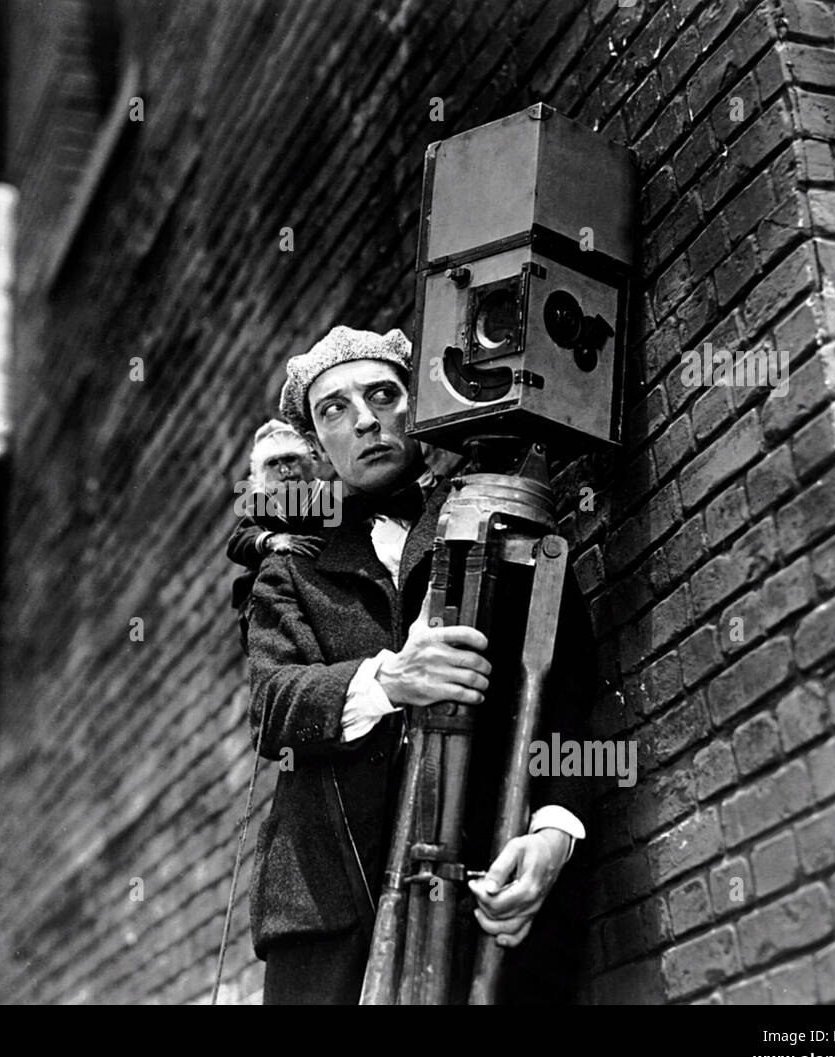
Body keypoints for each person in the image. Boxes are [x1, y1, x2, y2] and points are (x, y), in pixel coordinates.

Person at [244, 325, 598, 1005]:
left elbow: (568, 691)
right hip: (326, 918)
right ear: (319, 445)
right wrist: (388, 681)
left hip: (484, 893)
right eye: (335, 410)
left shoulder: (500, 518)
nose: (366, 420)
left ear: (420, 406)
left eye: (383, 395)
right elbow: (274, 705)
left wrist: (557, 827)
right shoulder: (289, 566)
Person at [227, 419, 333, 652]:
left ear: (308, 462)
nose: (285, 471)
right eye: (273, 464)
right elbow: (237, 542)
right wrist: (275, 540)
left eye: (290, 460)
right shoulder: (261, 504)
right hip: (268, 595)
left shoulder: (325, 496)